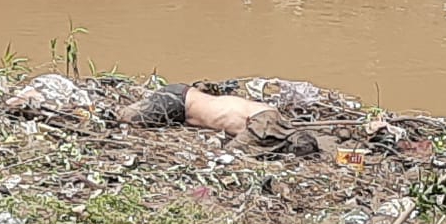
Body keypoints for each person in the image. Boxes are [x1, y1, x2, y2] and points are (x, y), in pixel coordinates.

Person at [118, 82, 319, 157]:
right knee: (125, 119)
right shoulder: (266, 123)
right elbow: (234, 151)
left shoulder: (271, 115)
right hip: (178, 103)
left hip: (185, 99)